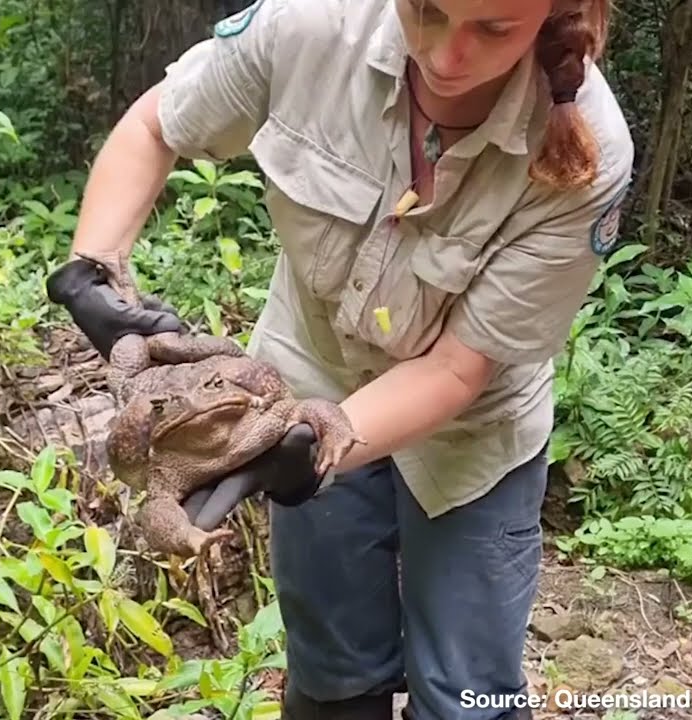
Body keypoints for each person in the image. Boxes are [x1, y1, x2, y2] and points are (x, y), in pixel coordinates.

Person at [45, 0, 633, 717]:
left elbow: (457, 368)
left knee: (465, 691)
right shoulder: (309, 26)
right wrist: (92, 265)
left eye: (493, 29)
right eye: (428, 11)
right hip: (300, 380)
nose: (447, 56)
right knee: (332, 673)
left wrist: (309, 444)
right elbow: (155, 125)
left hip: (468, 434)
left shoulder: (585, 151)